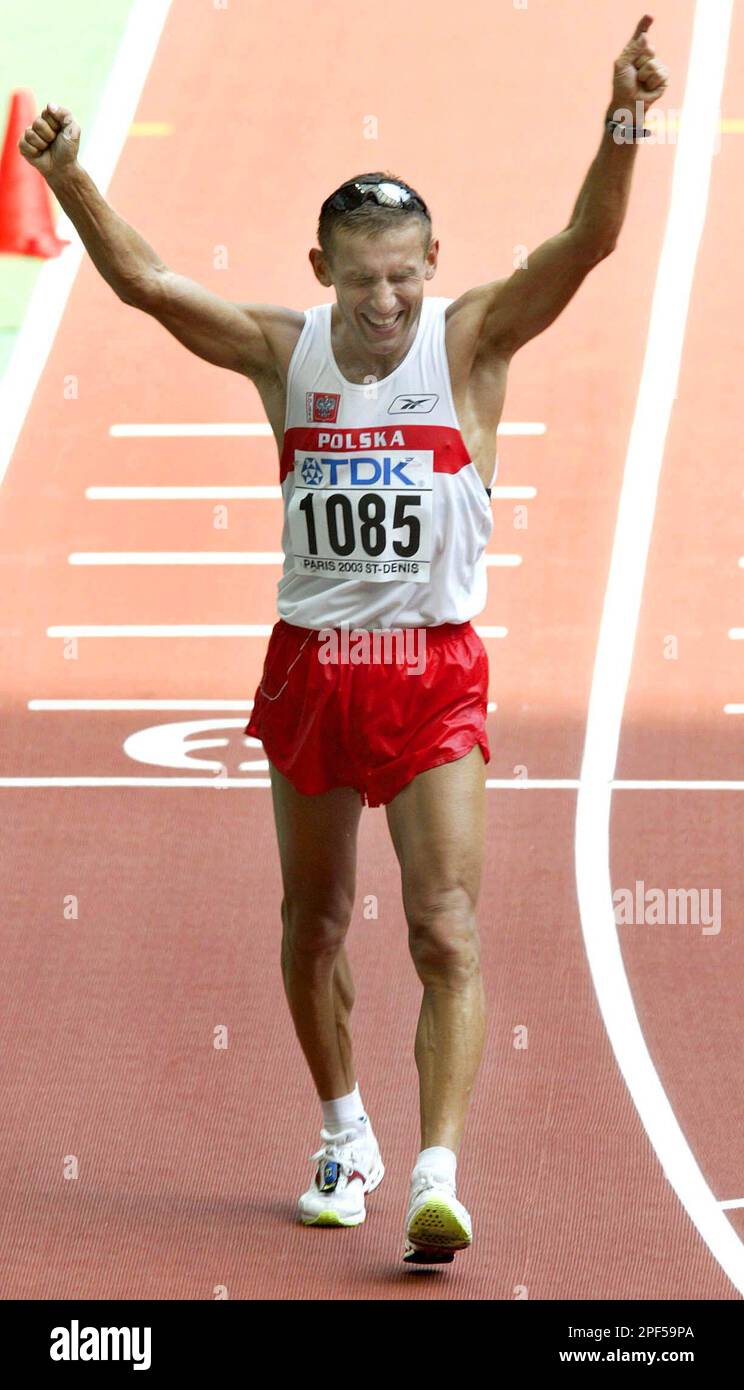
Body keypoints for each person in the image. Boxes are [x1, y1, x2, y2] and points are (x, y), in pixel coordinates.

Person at [20, 16, 668, 1264]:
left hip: (430, 675)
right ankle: (342, 1133)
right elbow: (153, 286)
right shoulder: (287, 352)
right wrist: (73, 179)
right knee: (312, 923)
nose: (385, 302)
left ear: (435, 262)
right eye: (362, 278)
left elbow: (587, 242)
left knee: (446, 929)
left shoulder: (471, 341)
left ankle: (435, 1173)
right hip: (315, 670)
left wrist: (624, 116)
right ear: (321, 265)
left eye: (404, 275)